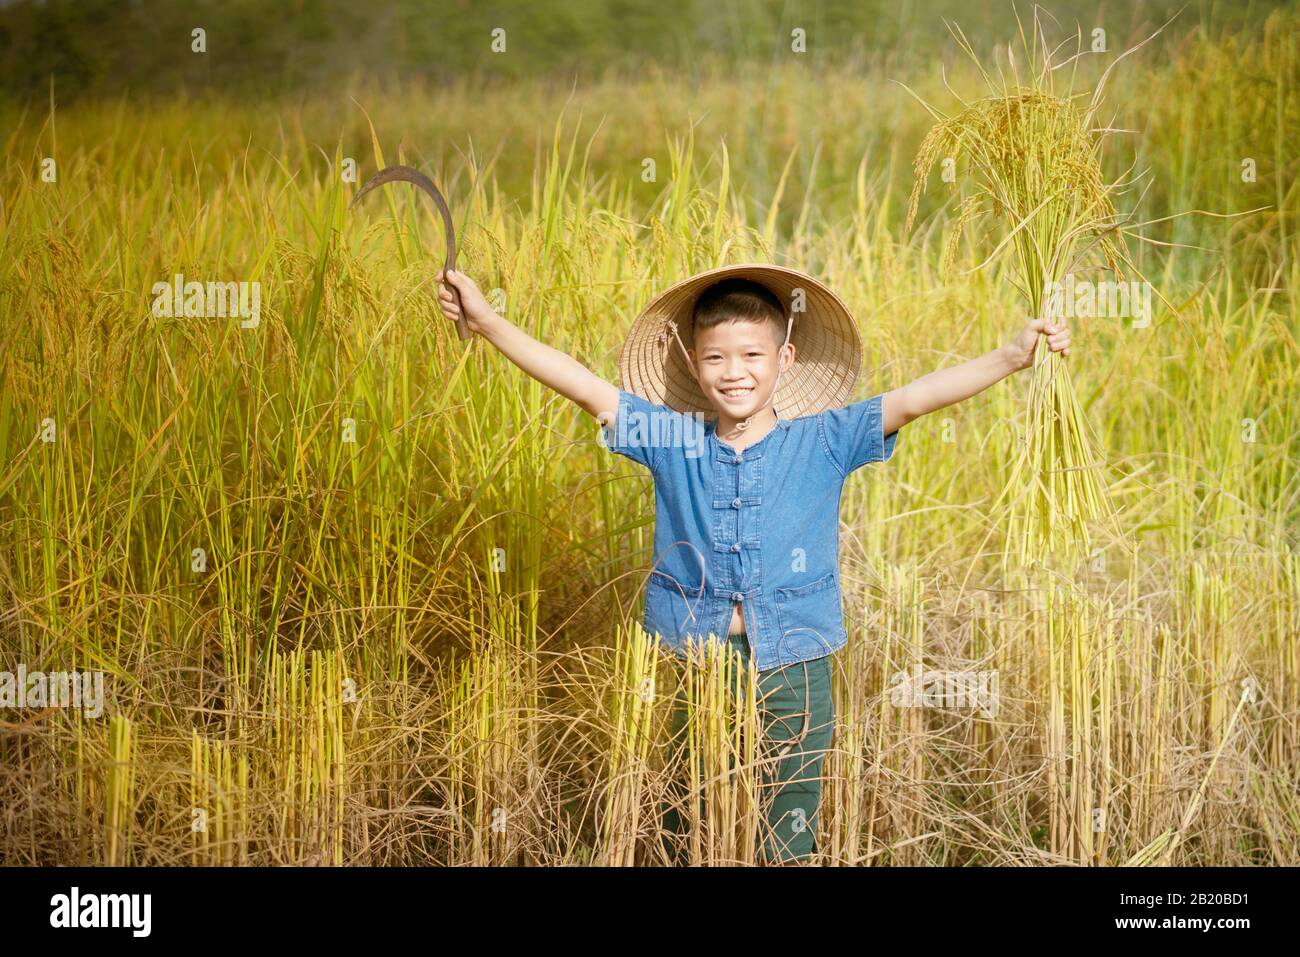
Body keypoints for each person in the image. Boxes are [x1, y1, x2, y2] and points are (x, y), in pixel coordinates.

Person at [434, 263, 1070, 864]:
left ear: (783, 360)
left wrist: (1012, 357)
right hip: (703, 663)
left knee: (789, 821)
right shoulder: (672, 441)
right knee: (689, 812)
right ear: (692, 363)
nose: (733, 372)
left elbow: (917, 397)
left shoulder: (824, 439)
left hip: (794, 662)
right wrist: (488, 322)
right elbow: (581, 384)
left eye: (751, 356)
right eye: (715, 357)